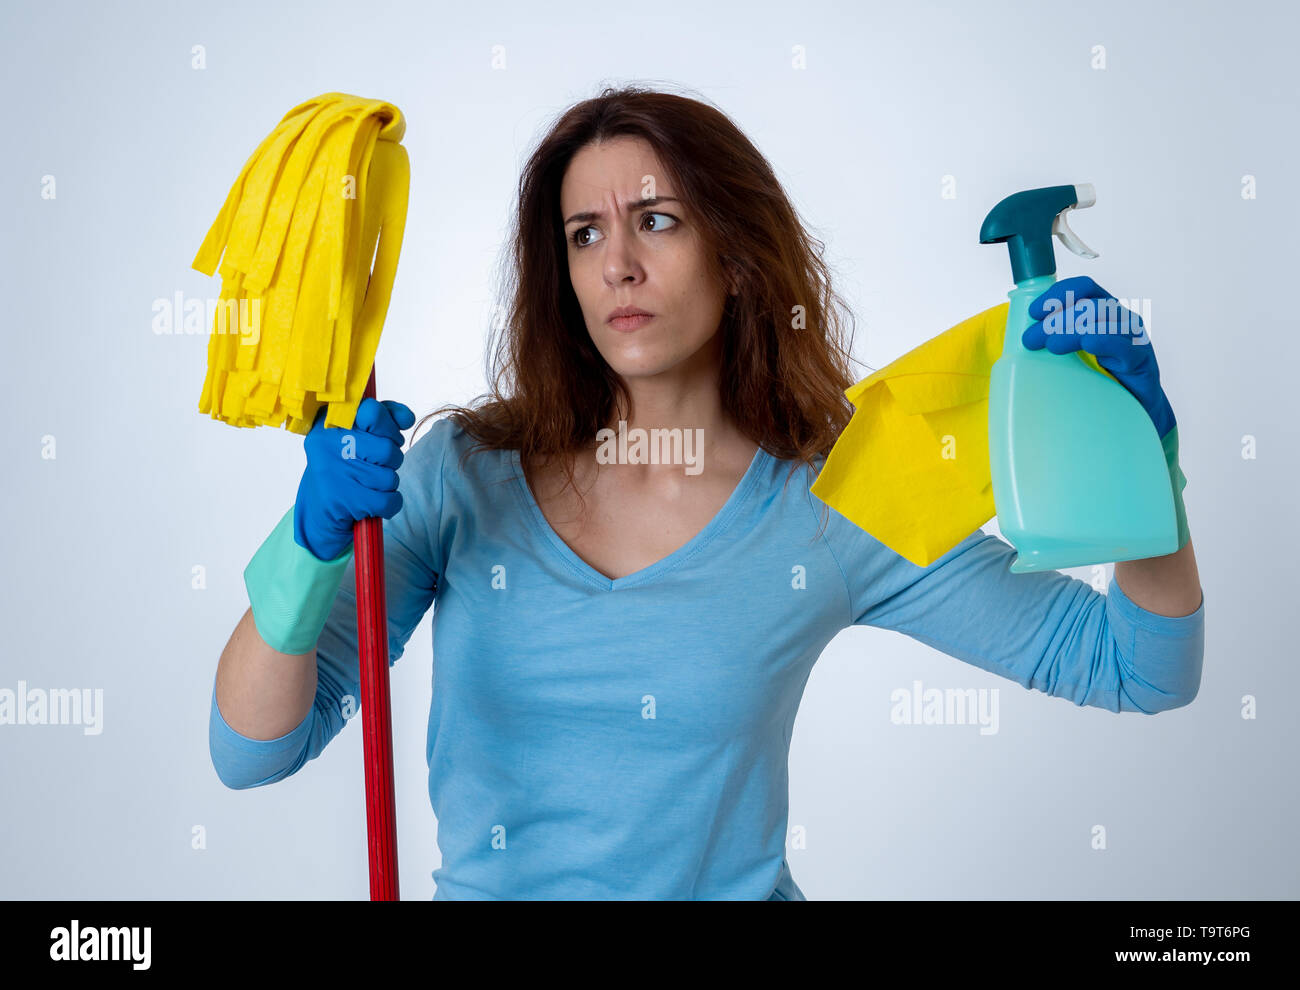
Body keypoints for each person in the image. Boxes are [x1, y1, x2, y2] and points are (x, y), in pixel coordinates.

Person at [209, 84, 1205, 901]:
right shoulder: (456, 478)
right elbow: (254, 750)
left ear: (733, 256)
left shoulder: (831, 502)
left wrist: (1139, 459)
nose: (620, 266)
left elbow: (1136, 670)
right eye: (584, 235)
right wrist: (309, 545)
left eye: (655, 221)